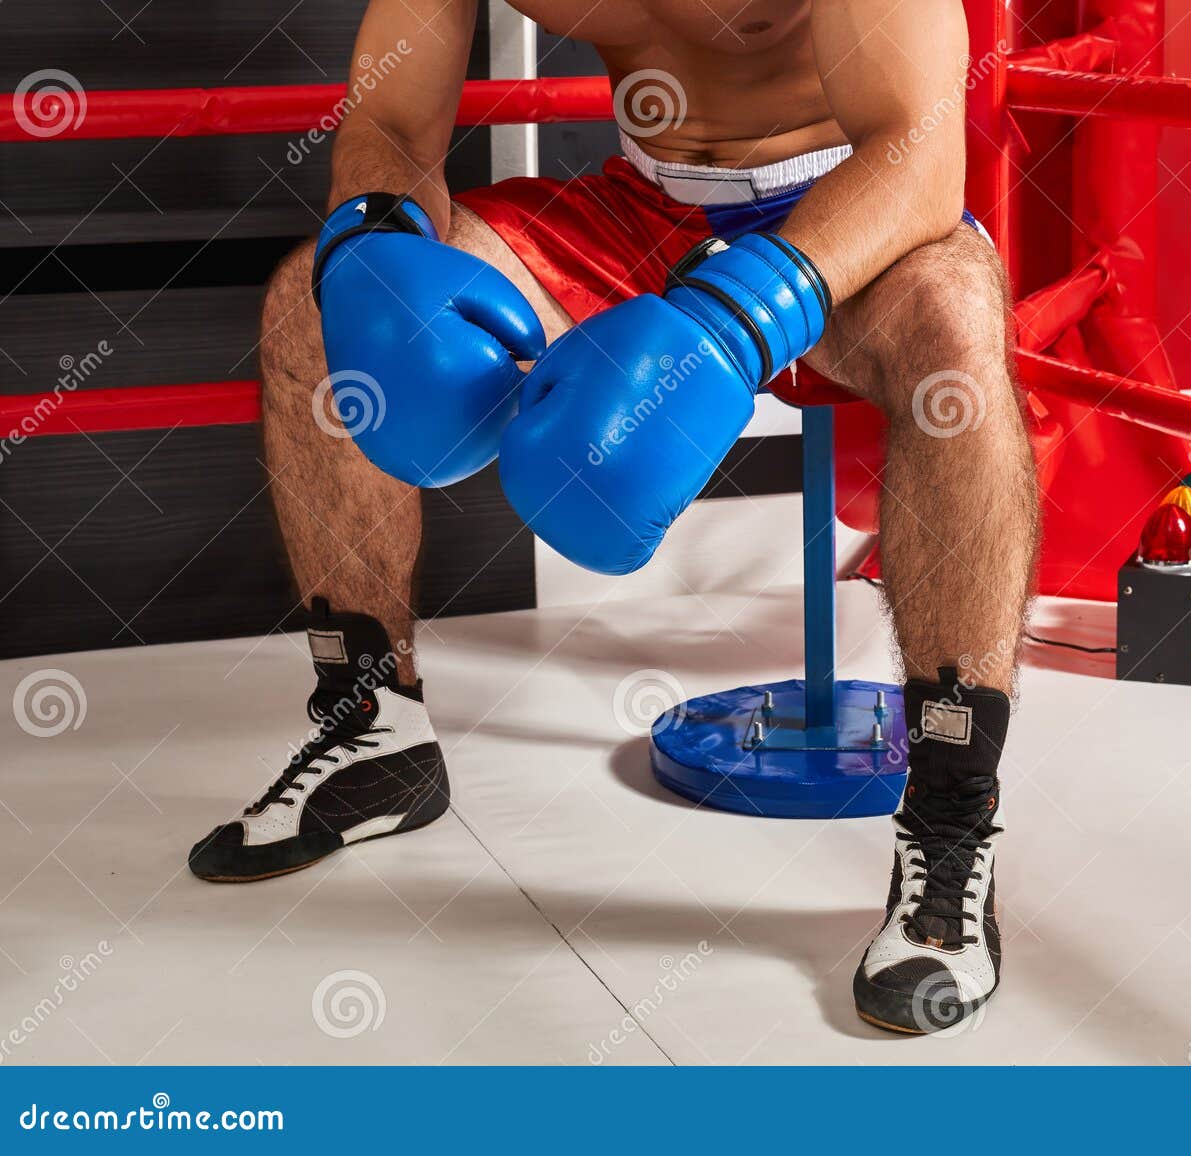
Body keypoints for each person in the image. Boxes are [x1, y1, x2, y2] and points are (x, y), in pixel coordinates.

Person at [188, 0, 1039, 1035]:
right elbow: (393, 124)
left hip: (846, 205)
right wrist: (375, 248)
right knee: (310, 311)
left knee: (954, 331)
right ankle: (373, 729)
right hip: (643, 207)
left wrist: (734, 315)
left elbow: (915, 151)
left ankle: (952, 820)